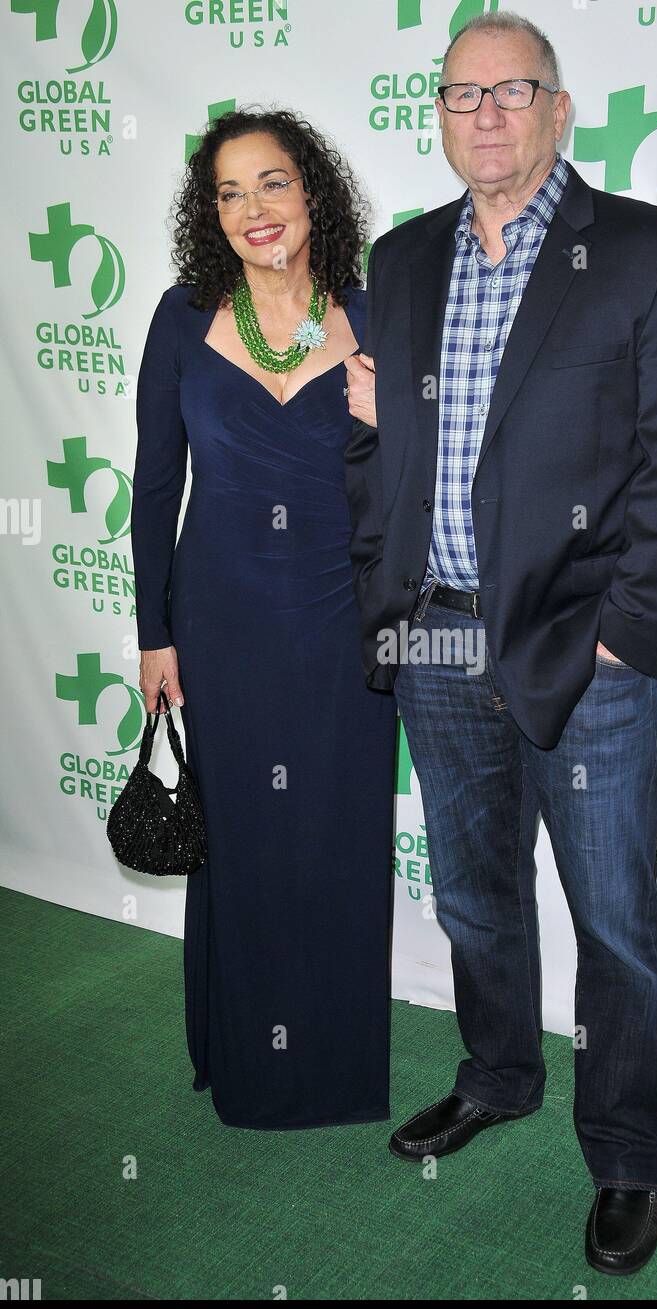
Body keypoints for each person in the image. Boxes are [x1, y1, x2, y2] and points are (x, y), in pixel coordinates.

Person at [344, 12, 657, 1272]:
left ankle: (625, 1156)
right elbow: (377, 453)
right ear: (439, 115)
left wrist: (630, 636)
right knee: (472, 893)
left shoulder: (648, 251)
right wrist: (383, 599)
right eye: (461, 95)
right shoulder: (398, 263)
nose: (487, 115)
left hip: (585, 655)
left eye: (513, 91)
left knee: (613, 916)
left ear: (559, 109)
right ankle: (498, 1075)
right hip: (442, 644)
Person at [131, 107, 397, 1130]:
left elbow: (419, 482)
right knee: (239, 838)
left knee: (335, 834)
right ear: (212, 214)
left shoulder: (373, 318)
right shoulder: (180, 316)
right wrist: (154, 632)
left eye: (272, 183)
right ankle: (247, 1062)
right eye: (229, 192)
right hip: (225, 620)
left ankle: (331, 1065)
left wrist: (386, 424)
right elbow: (156, 485)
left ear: (312, 192)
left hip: (342, 621)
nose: (253, 209)